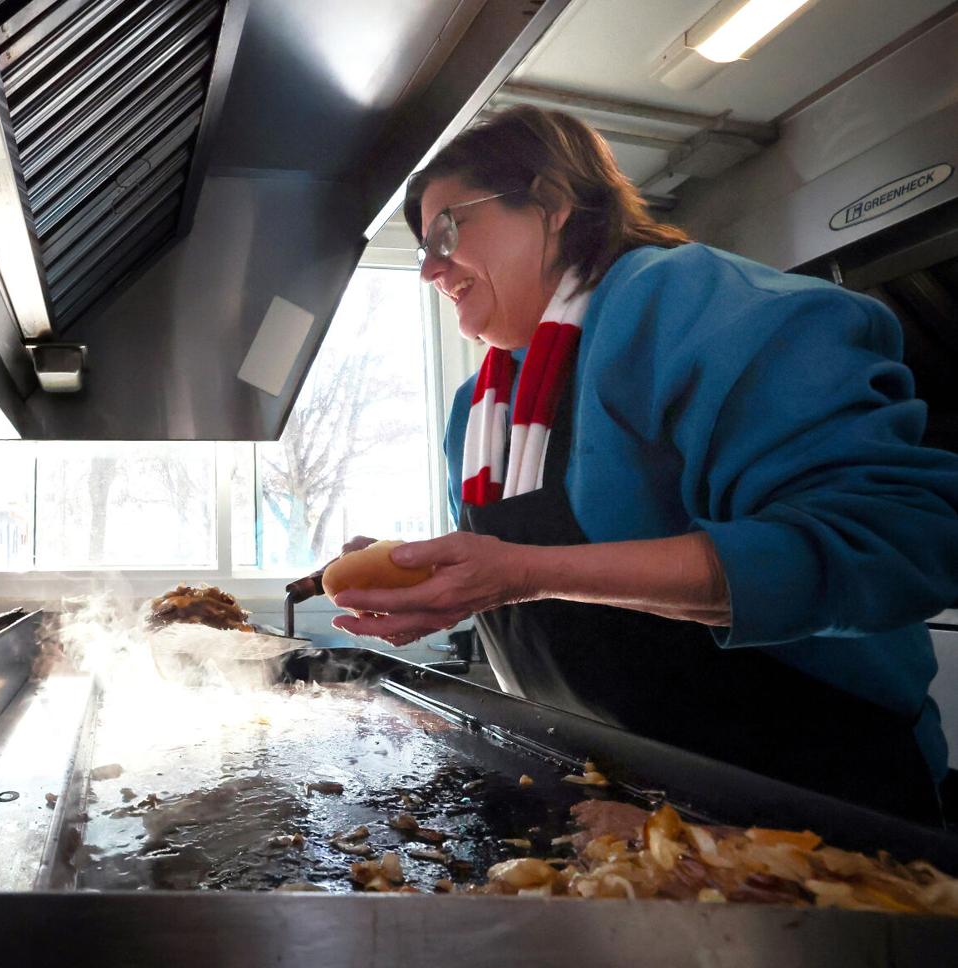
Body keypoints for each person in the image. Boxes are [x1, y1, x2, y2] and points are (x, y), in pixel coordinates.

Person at [331, 105, 958, 824]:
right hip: (607, 797)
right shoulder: (479, 408)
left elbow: (893, 542)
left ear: (551, 204)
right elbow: (524, 589)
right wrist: (428, 581)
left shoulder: (690, 304)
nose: (431, 270)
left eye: (447, 229)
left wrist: (528, 573)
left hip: (804, 797)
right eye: (420, 249)